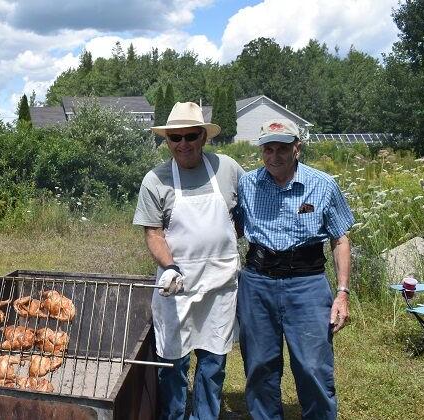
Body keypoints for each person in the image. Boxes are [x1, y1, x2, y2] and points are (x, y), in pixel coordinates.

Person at [234, 119, 353, 419]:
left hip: (307, 284)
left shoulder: (323, 184)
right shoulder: (247, 184)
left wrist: (342, 293)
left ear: (297, 148)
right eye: (268, 149)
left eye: (283, 148)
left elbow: (340, 238)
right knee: (259, 366)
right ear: (262, 151)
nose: (275, 156)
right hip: (258, 282)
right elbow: (228, 230)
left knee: (313, 367)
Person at [133, 102, 246, 419]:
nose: (183, 144)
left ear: (203, 137)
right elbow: (153, 233)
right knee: (173, 364)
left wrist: (224, 241)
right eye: (175, 138)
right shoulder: (155, 180)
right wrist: (170, 267)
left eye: (191, 136)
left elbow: (244, 214)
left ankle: (206, 415)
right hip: (177, 289)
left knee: (213, 362)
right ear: (167, 140)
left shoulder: (228, 169)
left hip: (220, 288)